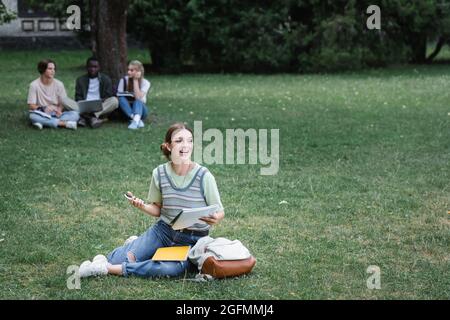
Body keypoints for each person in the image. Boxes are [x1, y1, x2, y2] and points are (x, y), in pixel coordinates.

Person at [79, 122, 225, 278]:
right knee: (118, 258)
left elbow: (219, 211)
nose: (185, 145)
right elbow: (158, 209)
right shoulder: (159, 173)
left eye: (189, 140)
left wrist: (215, 218)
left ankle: (108, 269)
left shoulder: (204, 176)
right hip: (163, 231)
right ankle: (113, 257)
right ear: (168, 146)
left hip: (192, 240)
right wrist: (141, 205)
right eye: (179, 140)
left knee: (167, 269)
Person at [28, 59, 79, 130]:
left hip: (56, 113)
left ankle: (43, 123)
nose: (53, 71)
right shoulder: (34, 85)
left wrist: (59, 110)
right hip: (42, 113)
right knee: (33, 116)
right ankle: (64, 124)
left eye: (54, 69)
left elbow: (63, 101)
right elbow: (31, 105)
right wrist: (44, 109)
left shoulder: (59, 84)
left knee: (75, 114)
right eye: (50, 69)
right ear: (42, 70)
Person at [72, 57, 119, 128]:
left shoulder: (106, 79)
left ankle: (87, 117)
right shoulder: (80, 80)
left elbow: (108, 96)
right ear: (87, 67)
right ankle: (92, 118)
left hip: (99, 105)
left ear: (99, 68)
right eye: (90, 67)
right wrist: (83, 103)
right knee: (64, 100)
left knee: (115, 101)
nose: (92, 69)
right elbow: (78, 96)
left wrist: (100, 101)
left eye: (95, 67)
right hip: (84, 104)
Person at [117, 60, 151, 130]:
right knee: (121, 98)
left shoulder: (146, 83)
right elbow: (119, 96)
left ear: (139, 72)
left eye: (132, 70)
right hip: (127, 110)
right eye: (128, 70)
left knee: (138, 100)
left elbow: (138, 97)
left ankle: (136, 119)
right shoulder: (123, 80)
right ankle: (136, 120)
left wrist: (135, 80)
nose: (128, 72)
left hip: (141, 110)